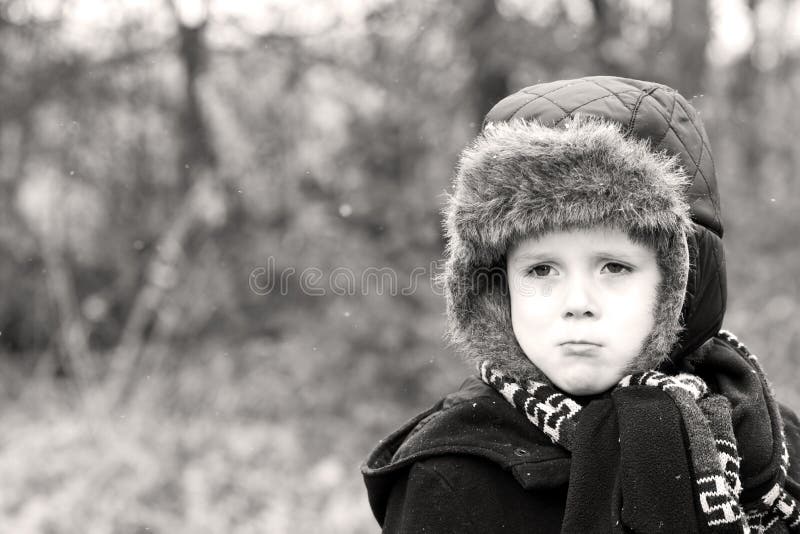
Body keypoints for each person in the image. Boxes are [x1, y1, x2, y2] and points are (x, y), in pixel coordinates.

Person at [360, 76, 800, 533]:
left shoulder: (766, 433)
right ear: (497, 287)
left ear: (683, 283)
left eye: (613, 267)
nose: (577, 304)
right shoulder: (452, 476)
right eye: (541, 270)